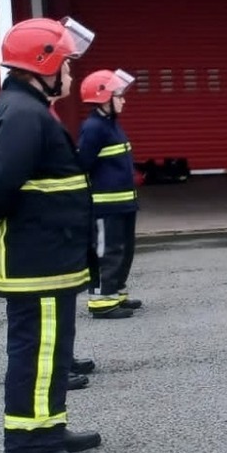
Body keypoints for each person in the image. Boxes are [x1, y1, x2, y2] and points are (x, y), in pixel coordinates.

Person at [0, 16, 104, 453]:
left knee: (52, 350)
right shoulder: (24, 113)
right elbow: (3, 179)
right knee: (38, 351)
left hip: (45, 256)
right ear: (44, 65)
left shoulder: (24, 107)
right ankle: (34, 448)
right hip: (36, 258)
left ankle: (49, 426)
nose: (71, 73)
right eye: (66, 64)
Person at [77, 68, 141, 319]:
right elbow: (83, 164)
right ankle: (102, 302)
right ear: (104, 97)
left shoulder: (111, 125)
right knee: (107, 252)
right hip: (105, 207)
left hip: (124, 204)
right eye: (119, 95)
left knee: (124, 251)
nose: (123, 99)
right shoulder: (93, 127)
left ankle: (116, 293)